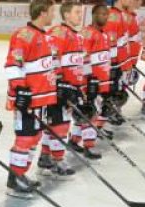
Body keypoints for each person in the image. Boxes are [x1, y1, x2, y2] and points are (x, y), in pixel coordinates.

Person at [3, 0, 58, 198]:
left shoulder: (46, 36)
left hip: (42, 98)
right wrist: (21, 91)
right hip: (29, 99)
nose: (54, 15)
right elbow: (13, 64)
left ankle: (22, 174)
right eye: (51, 11)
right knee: (25, 138)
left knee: (35, 137)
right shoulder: (24, 35)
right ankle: (14, 179)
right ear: (43, 12)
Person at [37, 0, 85, 179]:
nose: (80, 15)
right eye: (76, 12)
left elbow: (76, 65)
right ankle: (57, 160)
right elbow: (51, 60)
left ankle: (45, 156)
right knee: (61, 124)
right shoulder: (58, 33)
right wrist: (59, 84)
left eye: (81, 12)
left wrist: (79, 86)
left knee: (56, 123)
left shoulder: (77, 35)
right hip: (58, 88)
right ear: (66, 15)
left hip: (70, 87)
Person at [72, 3, 113, 158]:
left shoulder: (103, 34)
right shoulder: (88, 34)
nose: (105, 17)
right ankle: (88, 146)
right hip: (90, 83)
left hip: (100, 82)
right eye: (101, 14)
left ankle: (74, 140)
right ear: (94, 15)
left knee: (88, 113)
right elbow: (81, 59)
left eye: (106, 14)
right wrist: (89, 80)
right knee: (91, 113)